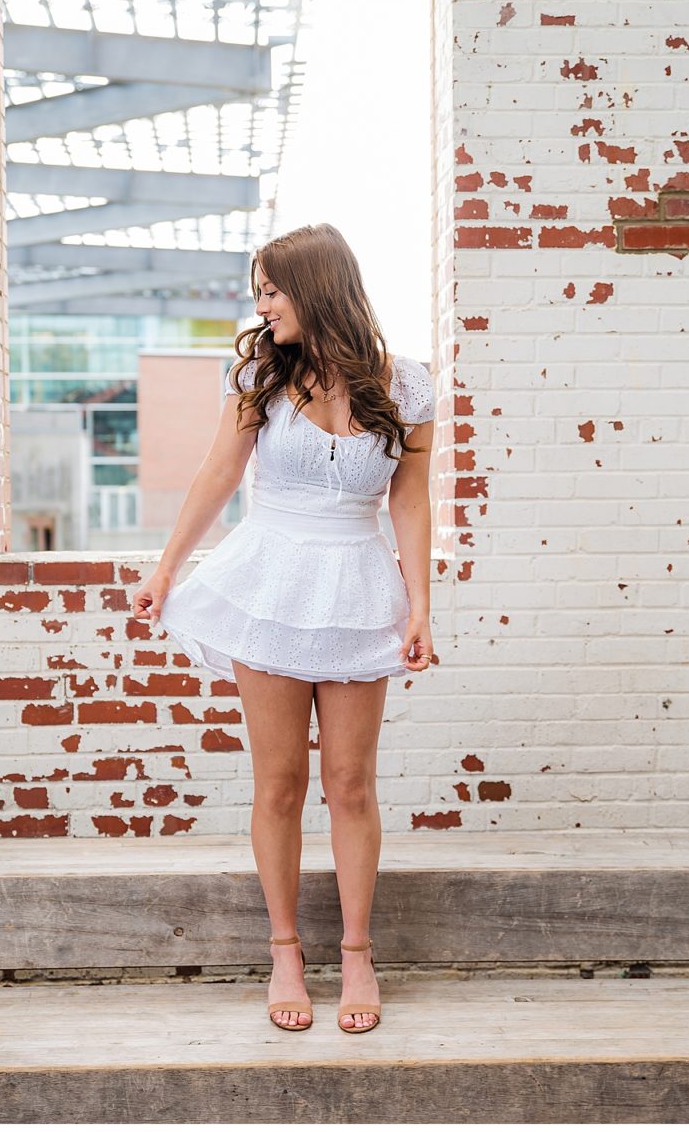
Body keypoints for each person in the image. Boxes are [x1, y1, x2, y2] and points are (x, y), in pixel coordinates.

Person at [131, 223, 436, 1035]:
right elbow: (217, 474)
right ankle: (286, 951)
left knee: (351, 783)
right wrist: (167, 568)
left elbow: (409, 499)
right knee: (280, 784)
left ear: (316, 286)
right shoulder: (263, 380)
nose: (261, 306)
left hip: (358, 587)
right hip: (270, 584)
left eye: (271, 289)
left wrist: (420, 605)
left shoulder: (406, 386)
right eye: (258, 291)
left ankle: (360, 954)